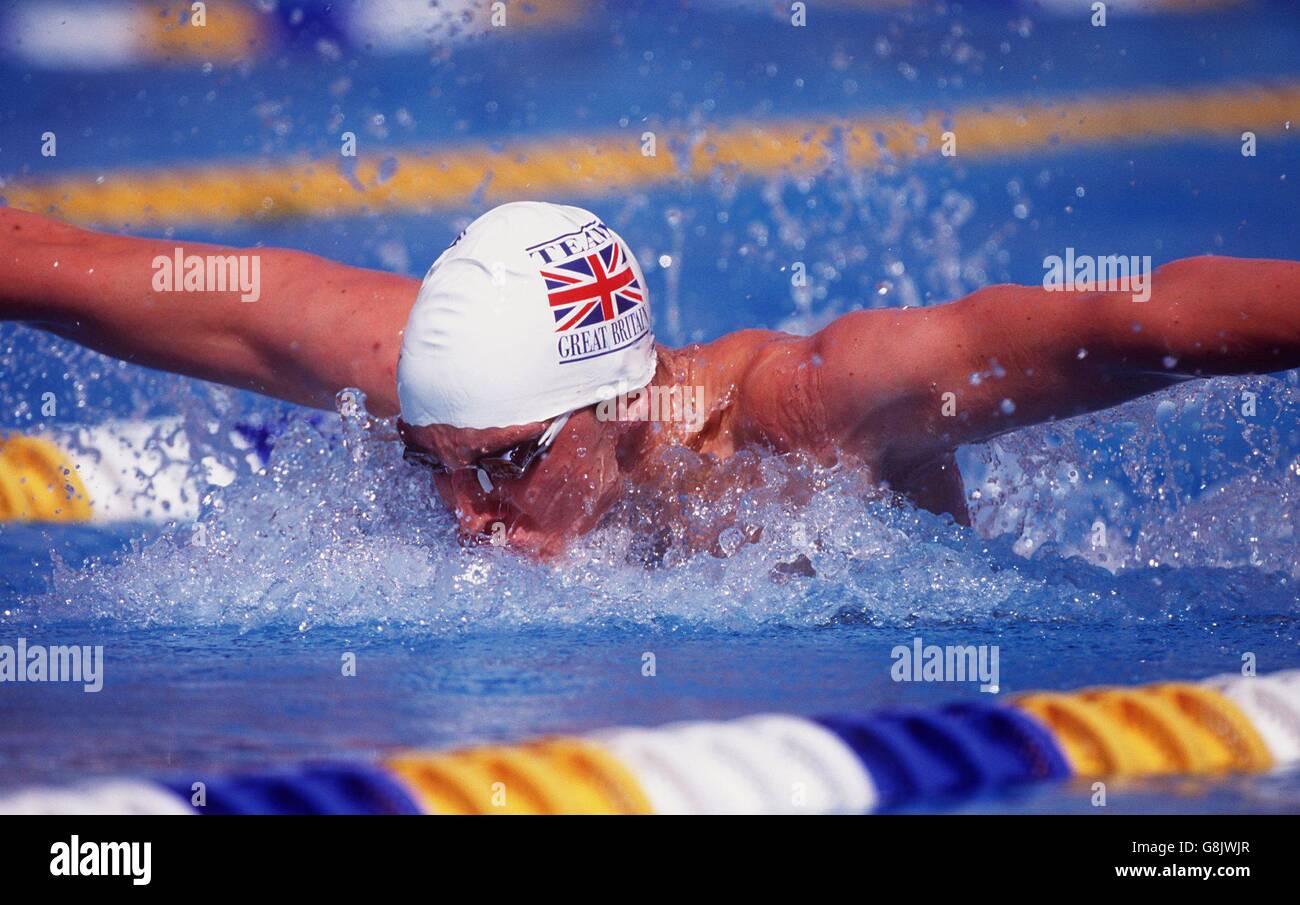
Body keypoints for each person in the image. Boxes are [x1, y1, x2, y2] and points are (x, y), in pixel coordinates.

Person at [3, 202, 1298, 558]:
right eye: (430, 460)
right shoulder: (428, 376)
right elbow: (63, 263)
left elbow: (1134, 318)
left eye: (505, 461)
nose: (465, 513)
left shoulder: (809, 418)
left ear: (621, 403)